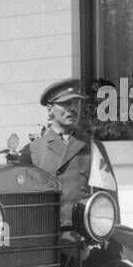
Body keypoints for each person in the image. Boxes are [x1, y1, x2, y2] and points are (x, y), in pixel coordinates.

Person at [20, 79, 93, 216]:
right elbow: (22, 202)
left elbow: (108, 199)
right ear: (50, 109)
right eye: (66, 103)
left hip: (84, 233)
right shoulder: (32, 151)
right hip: (47, 232)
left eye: (76, 103)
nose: (73, 108)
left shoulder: (94, 148)